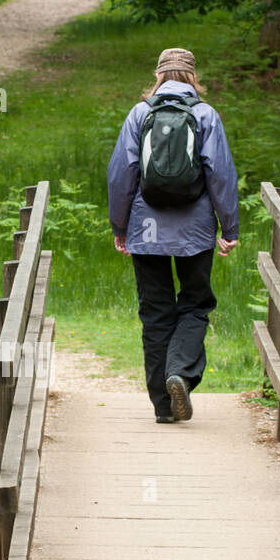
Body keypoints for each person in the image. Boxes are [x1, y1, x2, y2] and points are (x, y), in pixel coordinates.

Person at [107, 47, 239, 423]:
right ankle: (179, 371)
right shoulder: (205, 115)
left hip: (145, 230)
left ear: (159, 76)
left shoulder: (140, 114)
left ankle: (163, 408)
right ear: (193, 77)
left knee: (155, 311)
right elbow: (221, 176)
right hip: (195, 230)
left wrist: (121, 228)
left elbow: (122, 175)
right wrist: (229, 228)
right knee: (195, 304)